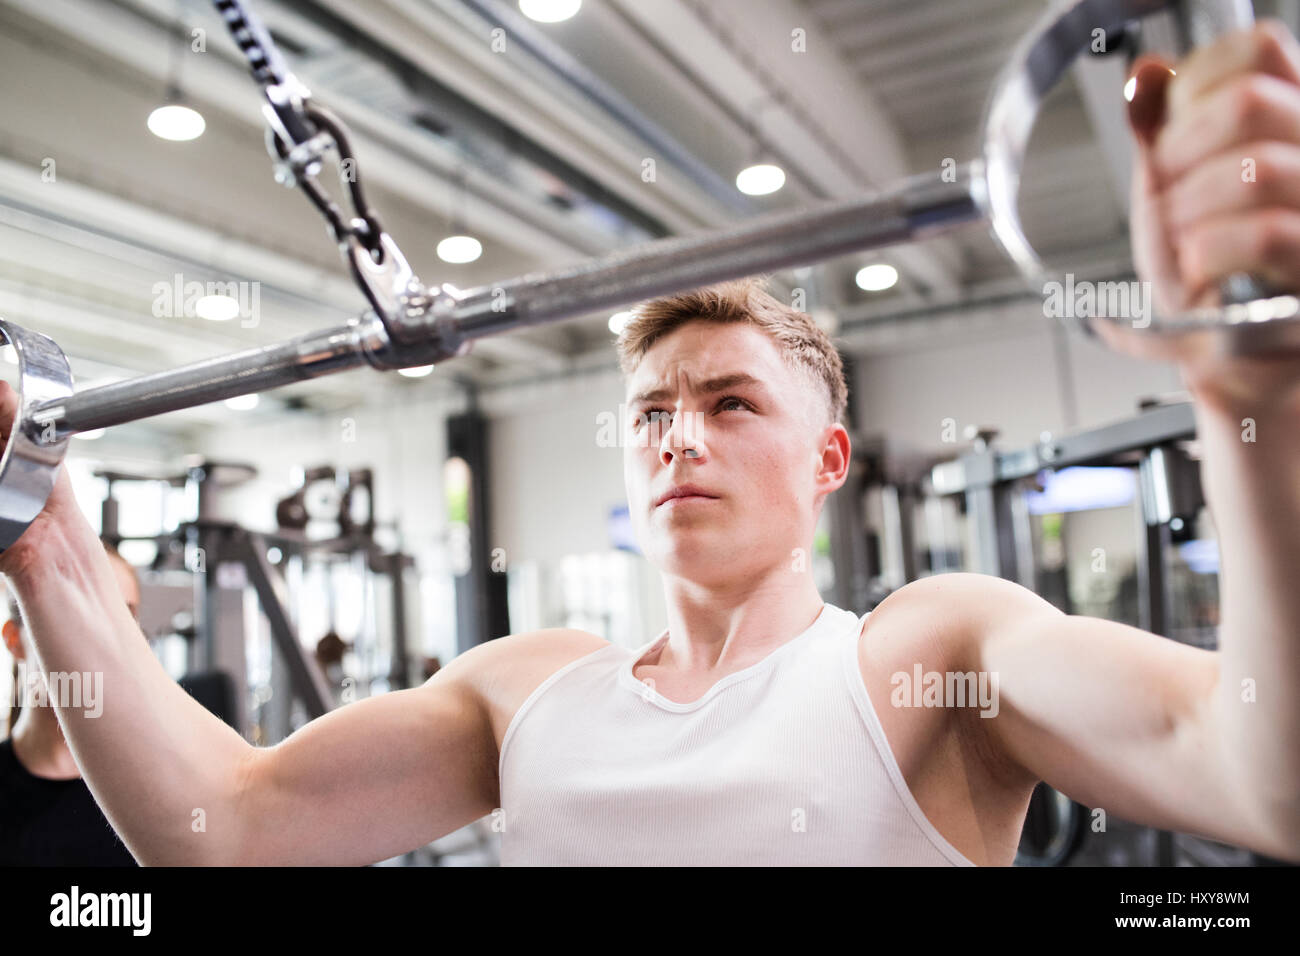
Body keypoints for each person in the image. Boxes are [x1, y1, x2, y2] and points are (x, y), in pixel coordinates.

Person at [1, 24, 1299, 866]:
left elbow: (1262, 777)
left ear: (830, 460)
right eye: (652, 414)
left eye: (732, 404)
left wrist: (1259, 386)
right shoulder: (530, 689)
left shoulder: (932, 653)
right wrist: (41, 537)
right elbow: (221, 827)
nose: (682, 436)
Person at [1, 544, 141, 866]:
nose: (97, 639)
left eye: (122, 617)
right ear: (14, 640)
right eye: (69, 613)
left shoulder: (160, 795)